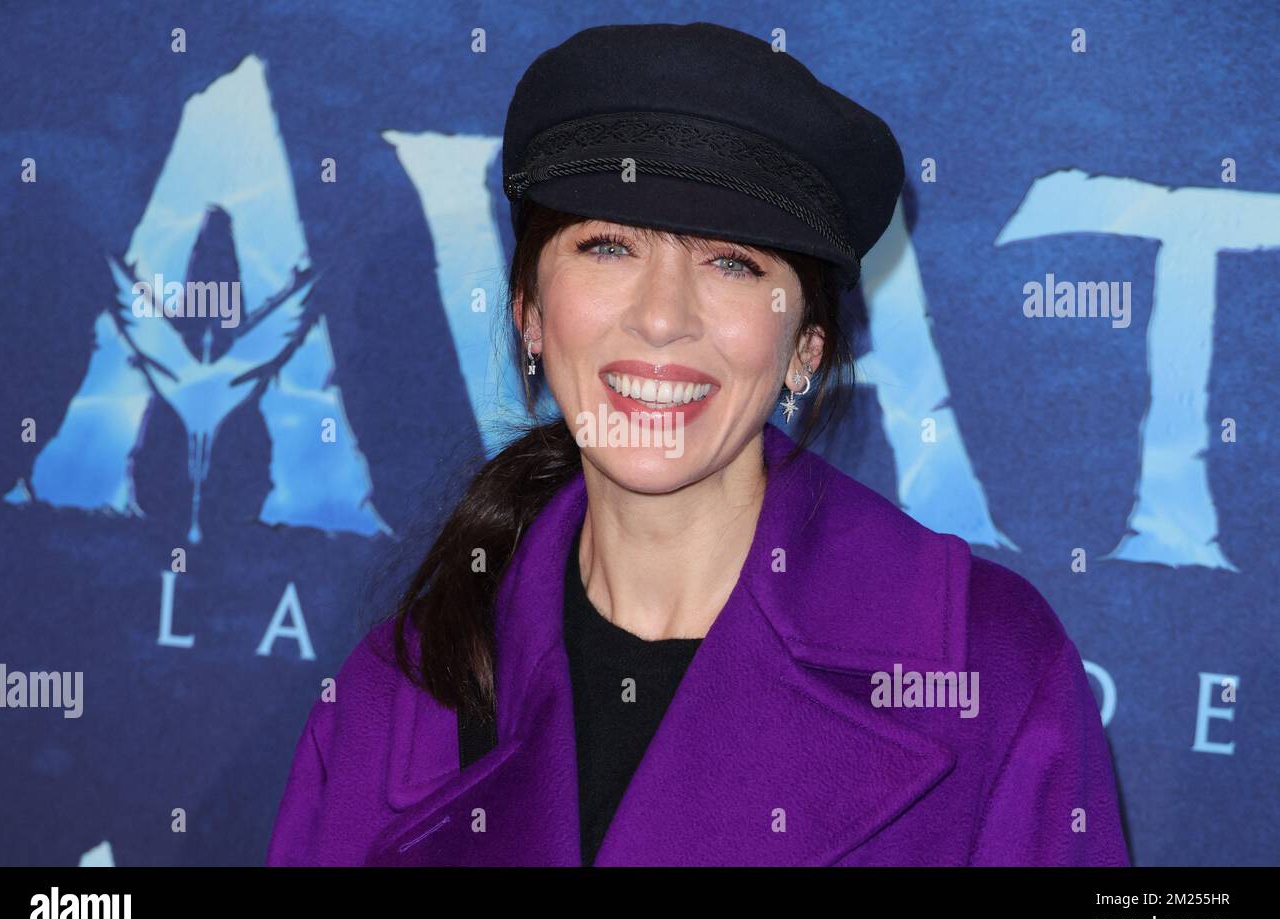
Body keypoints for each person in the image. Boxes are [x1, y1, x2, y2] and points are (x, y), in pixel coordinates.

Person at [265, 21, 1130, 867]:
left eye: (732, 263)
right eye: (609, 246)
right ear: (528, 310)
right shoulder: (395, 695)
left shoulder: (991, 675)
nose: (661, 316)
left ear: (807, 347)